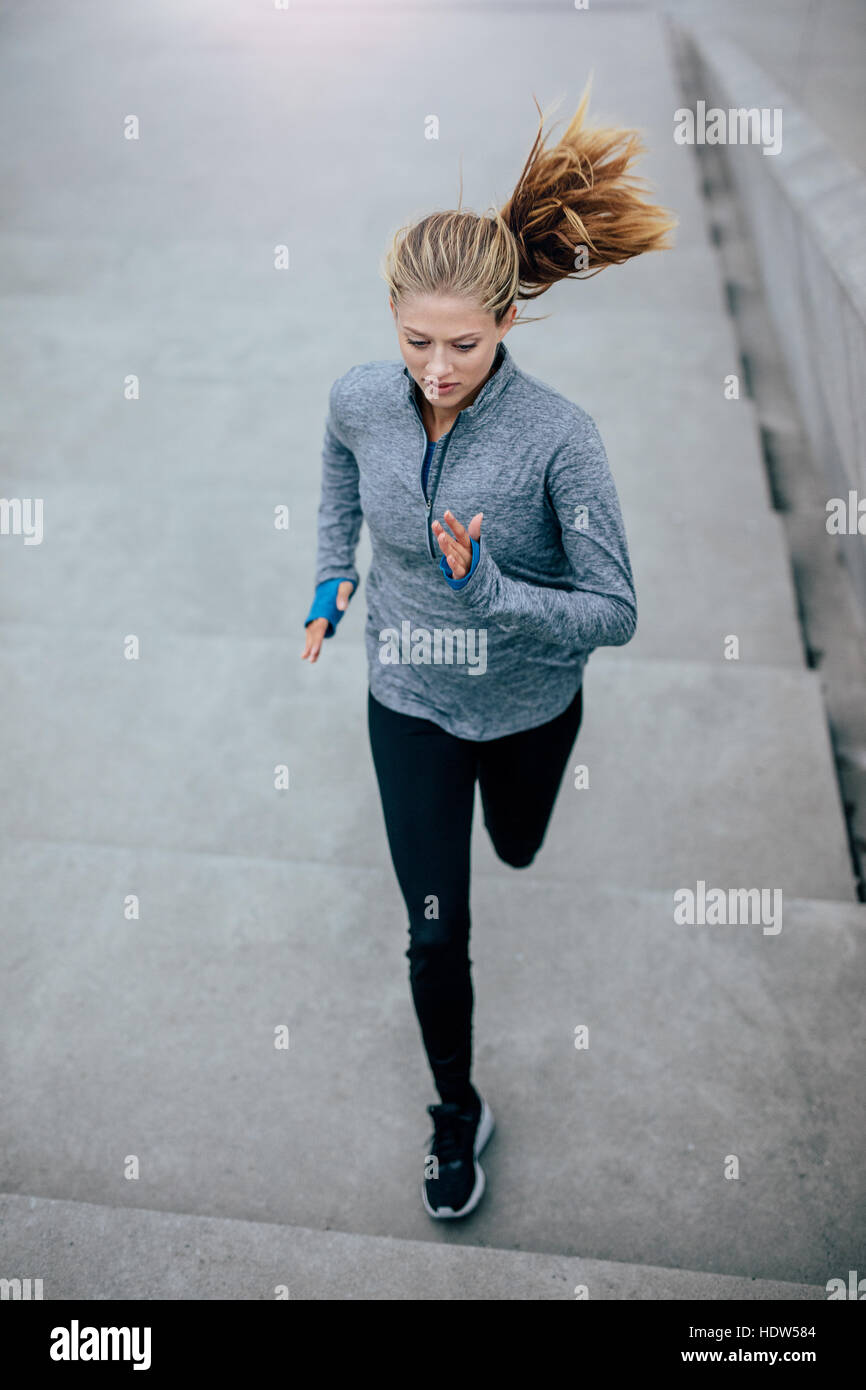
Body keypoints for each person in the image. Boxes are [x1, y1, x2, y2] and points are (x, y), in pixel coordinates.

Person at [301, 82, 675, 1220]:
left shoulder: (561, 440)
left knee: (513, 849)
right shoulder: (364, 398)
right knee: (435, 931)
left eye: (462, 343)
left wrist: (494, 591)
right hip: (405, 696)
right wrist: (331, 574)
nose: (435, 367)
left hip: (525, 708)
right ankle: (455, 1111)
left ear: (506, 322)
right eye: (414, 340)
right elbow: (334, 466)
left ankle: (517, 817)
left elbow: (614, 611)